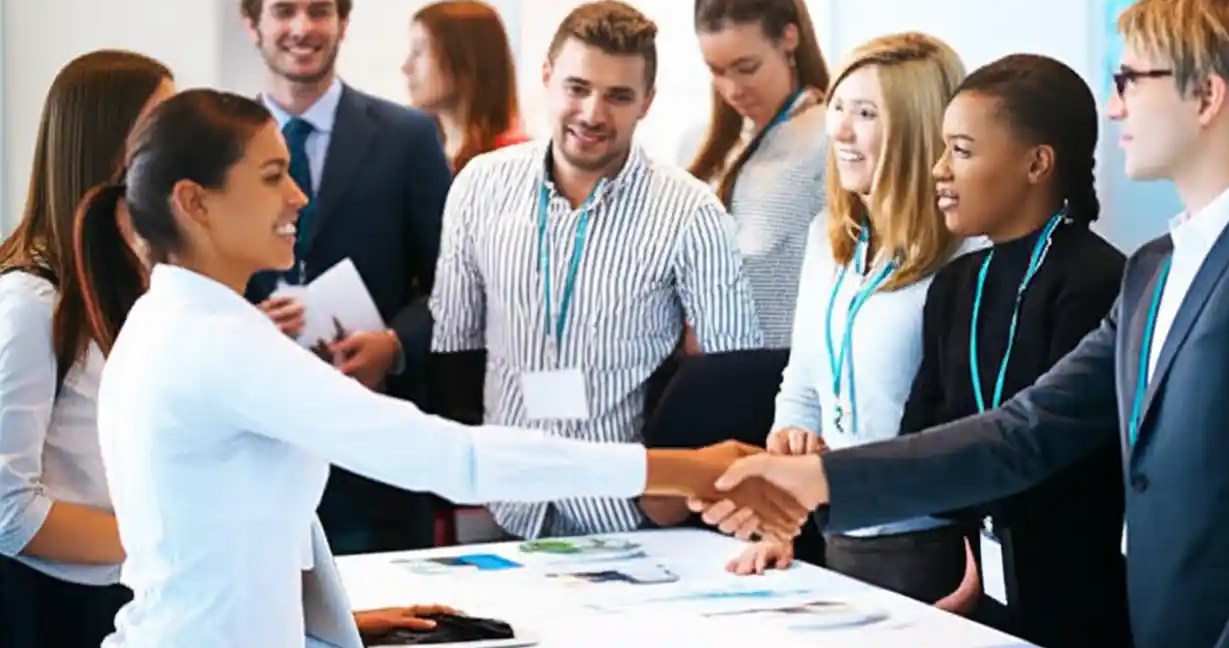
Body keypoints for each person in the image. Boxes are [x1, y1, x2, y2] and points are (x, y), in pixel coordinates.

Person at [72, 88, 803, 647]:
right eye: (272, 177)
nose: (298, 196)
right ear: (195, 203)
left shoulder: (188, 324)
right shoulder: (212, 342)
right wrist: (682, 469)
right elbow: (450, 458)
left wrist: (337, 617)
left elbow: (227, 530)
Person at [696, 0, 1229, 648]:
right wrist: (817, 479)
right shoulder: (1156, 267)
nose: (1115, 108)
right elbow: (1023, 432)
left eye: (1131, 80)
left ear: (1207, 95)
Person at [429, 0, 765, 542]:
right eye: (577, 88)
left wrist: (671, 496)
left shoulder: (690, 212)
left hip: (633, 523)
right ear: (546, 77)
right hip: (509, 509)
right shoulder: (478, 185)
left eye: (618, 96)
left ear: (647, 103)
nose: (592, 113)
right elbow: (455, 343)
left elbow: (733, 375)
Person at [716, 33, 986, 612]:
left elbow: (979, 429)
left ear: (918, 130)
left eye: (865, 114)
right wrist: (781, 509)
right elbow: (804, 381)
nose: (838, 130)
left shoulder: (969, 256)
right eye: (839, 107)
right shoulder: (828, 238)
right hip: (840, 536)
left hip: (935, 549)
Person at [901, 54, 1130, 646]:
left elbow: (1076, 461)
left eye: (962, 151)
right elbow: (924, 430)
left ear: (1037, 162)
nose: (938, 170)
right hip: (986, 579)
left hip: (1086, 595)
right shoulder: (957, 284)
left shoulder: (1100, 282)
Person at [238, 0, 454, 554]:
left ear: (343, 22)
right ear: (252, 23)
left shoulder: (409, 137)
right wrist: (243, 325)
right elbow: (183, 278)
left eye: (319, 11)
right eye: (284, 11)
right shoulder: (216, 140)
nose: (302, 28)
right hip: (256, 443)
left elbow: (454, 283)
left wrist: (397, 345)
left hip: (372, 450)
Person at [0, 49, 172, 648]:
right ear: (105, 145)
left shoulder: (129, 286)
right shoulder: (30, 302)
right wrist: (166, 541)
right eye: (159, 126)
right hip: (55, 609)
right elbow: (8, 513)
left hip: (128, 592)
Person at [685, 0, 830, 348]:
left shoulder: (829, 136)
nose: (733, 88)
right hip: (711, 365)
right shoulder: (701, 146)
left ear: (789, 38)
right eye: (716, 71)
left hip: (782, 365)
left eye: (747, 68)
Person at [404, 0, 528, 172]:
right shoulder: (415, 151)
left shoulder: (516, 158)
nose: (406, 67)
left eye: (419, 52)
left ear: (464, 61)